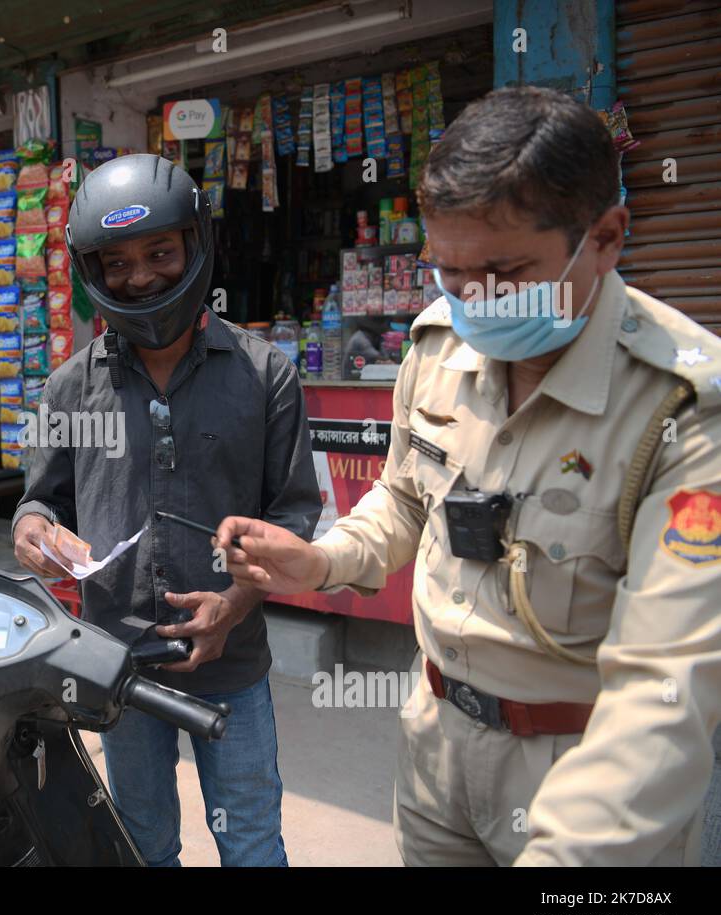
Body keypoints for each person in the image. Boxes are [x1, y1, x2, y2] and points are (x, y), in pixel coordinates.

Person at [216, 86, 721, 866]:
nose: (473, 302)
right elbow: (405, 499)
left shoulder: (683, 408)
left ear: (608, 236)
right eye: (448, 273)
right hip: (436, 746)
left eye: (506, 271)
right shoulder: (437, 348)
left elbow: (667, 688)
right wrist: (318, 560)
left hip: (587, 781)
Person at [11, 153, 320, 866]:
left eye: (158, 252)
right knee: (142, 843)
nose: (140, 276)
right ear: (92, 271)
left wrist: (235, 603)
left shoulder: (264, 373)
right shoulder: (68, 389)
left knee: (250, 841)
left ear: (194, 244)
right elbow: (39, 501)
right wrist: (33, 529)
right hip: (116, 668)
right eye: (116, 262)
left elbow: (296, 521)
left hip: (233, 667)